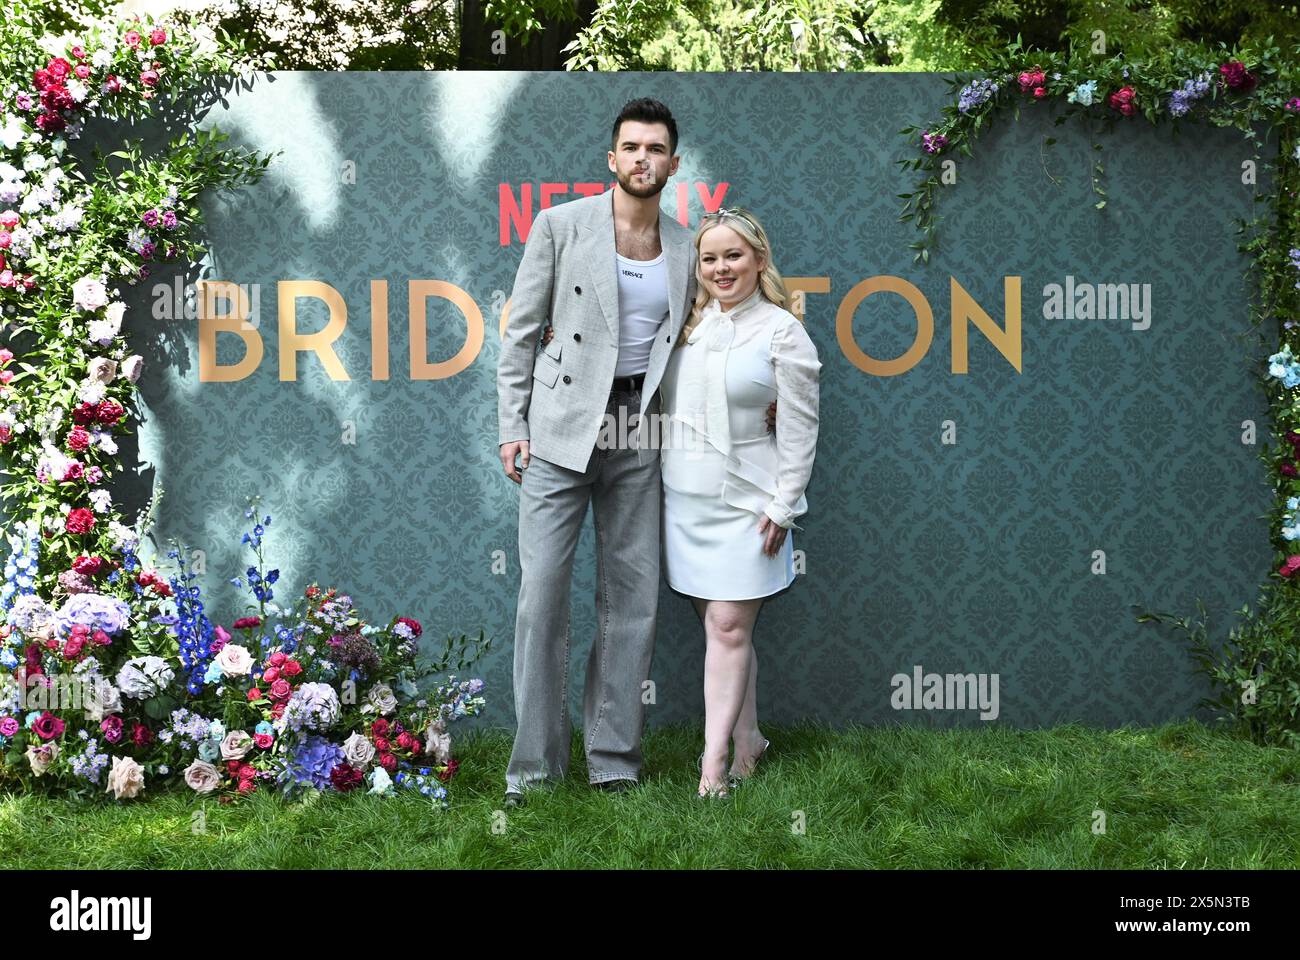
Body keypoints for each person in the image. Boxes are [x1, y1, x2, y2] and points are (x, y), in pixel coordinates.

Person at [495, 98, 702, 806]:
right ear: (611, 159)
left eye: (656, 148)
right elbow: (521, 332)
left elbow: (704, 344)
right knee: (541, 598)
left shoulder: (686, 247)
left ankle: (613, 761)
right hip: (560, 425)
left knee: (632, 598)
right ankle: (533, 770)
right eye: (631, 147)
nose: (643, 158)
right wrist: (511, 424)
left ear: (673, 164)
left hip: (639, 429)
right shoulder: (560, 225)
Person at [658, 207, 821, 798]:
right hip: (683, 499)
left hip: (751, 503)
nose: (721, 268)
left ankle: (713, 766)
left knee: (727, 625)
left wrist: (785, 505)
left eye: (734, 256)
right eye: (709, 258)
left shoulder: (783, 331)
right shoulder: (686, 328)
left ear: (758, 260)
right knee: (721, 630)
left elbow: (800, 428)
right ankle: (749, 739)